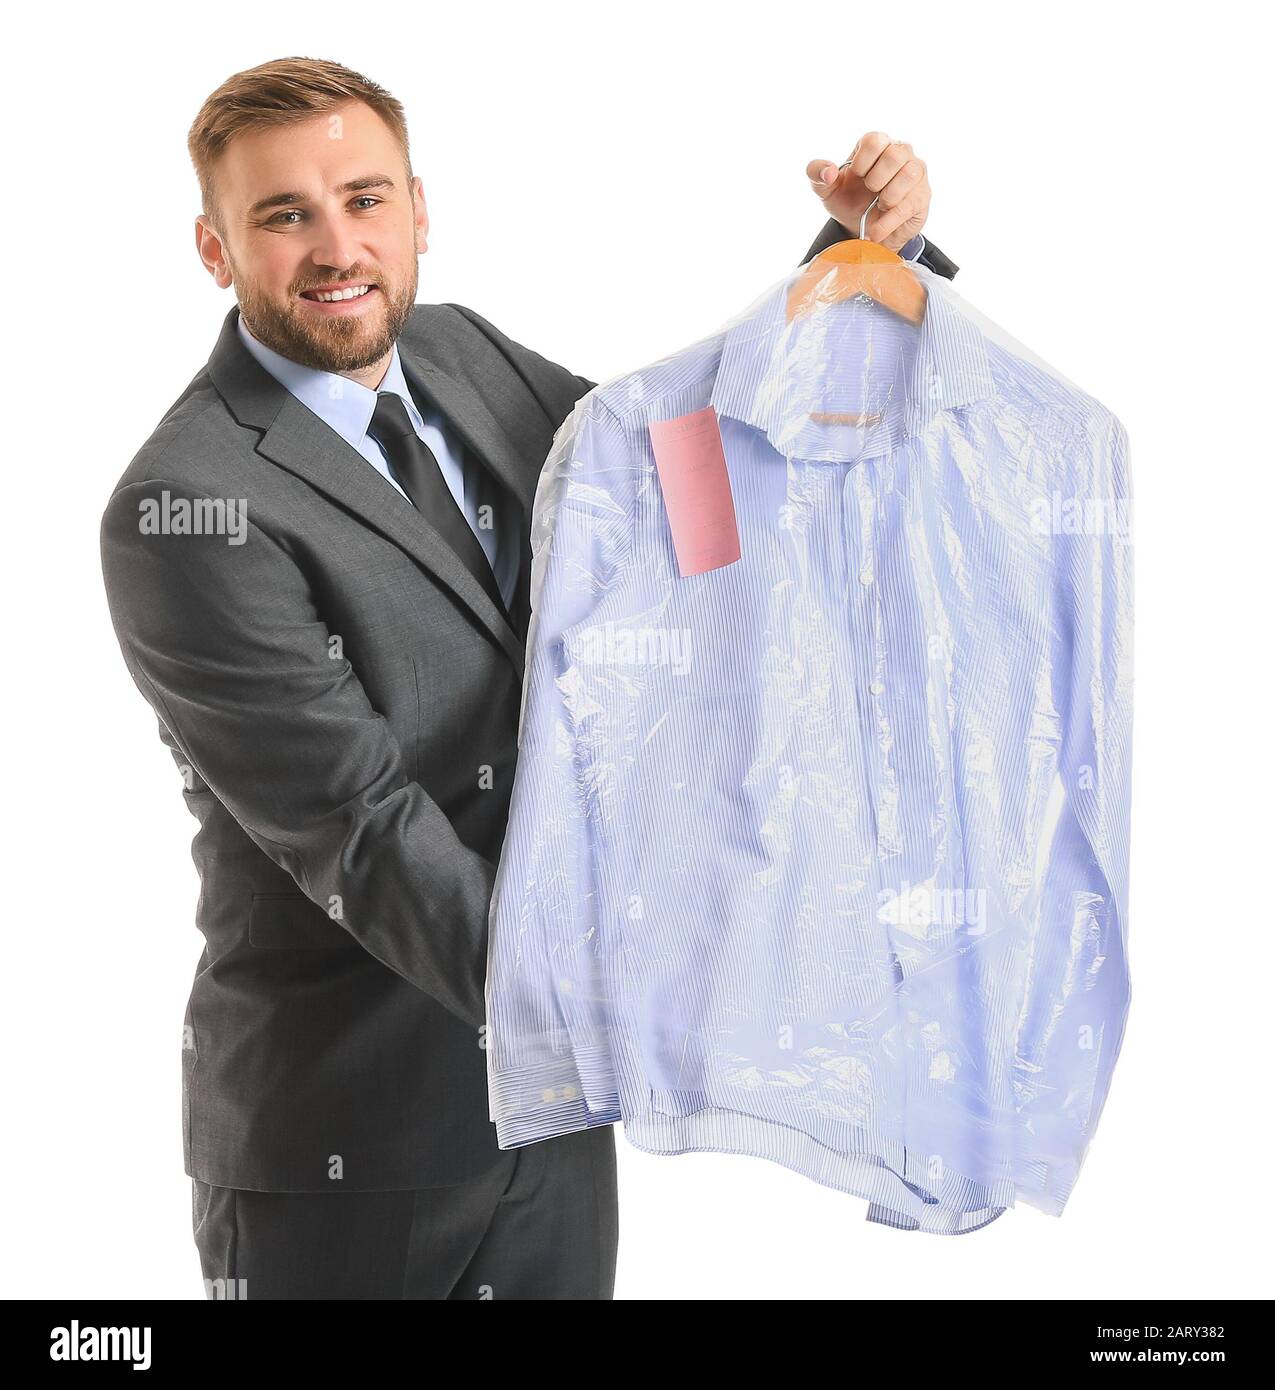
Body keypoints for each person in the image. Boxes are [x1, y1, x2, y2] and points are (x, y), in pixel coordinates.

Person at [99, 55, 955, 1301]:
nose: (339, 245)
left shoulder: (460, 356)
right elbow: (368, 836)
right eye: (284, 214)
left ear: (421, 210)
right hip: (348, 1144)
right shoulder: (188, 507)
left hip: (546, 1124)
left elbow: (683, 497)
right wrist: (640, 1002)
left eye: (365, 197)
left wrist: (852, 256)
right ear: (215, 248)